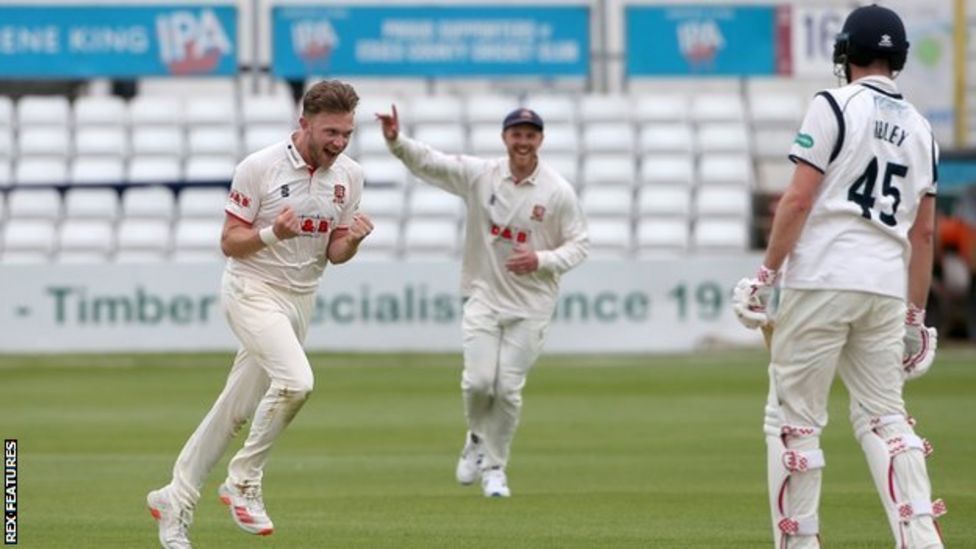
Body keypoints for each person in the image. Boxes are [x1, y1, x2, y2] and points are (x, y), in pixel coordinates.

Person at [731, 4, 947, 548]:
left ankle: (799, 543)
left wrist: (765, 275)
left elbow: (798, 199)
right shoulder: (923, 130)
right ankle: (922, 540)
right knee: (885, 419)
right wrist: (915, 318)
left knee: (793, 421)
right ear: (898, 58)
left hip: (823, 276)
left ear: (846, 53)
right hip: (884, 287)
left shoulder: (832, 104)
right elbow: (923, 234)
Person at [146, 80, 373, 549]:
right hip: (251, 289)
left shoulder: (350, 176)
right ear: (304, 123)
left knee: (233, 411)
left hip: (300, 299)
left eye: (346, 134)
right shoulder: (259, 167)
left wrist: (352, 241)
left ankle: (175, 499)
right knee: (297, 382)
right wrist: (273, 234)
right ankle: (244, 480)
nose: (339, 143)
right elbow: (229, 241)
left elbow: (334, 252)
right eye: (330, 132)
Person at [376, 105, 589, 498]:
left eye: (530, 135)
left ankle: (495, 468)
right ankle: (476, 438)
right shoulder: (482, 176)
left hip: (532, 304)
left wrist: (541, 260)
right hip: (485, 296)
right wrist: (395, 141)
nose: (523, 142)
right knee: (478, 383)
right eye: (516, 134)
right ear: (505, 137)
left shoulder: (557, 191)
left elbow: (580, 244)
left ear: (540, 140)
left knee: (507, 390)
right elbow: (433, 163)